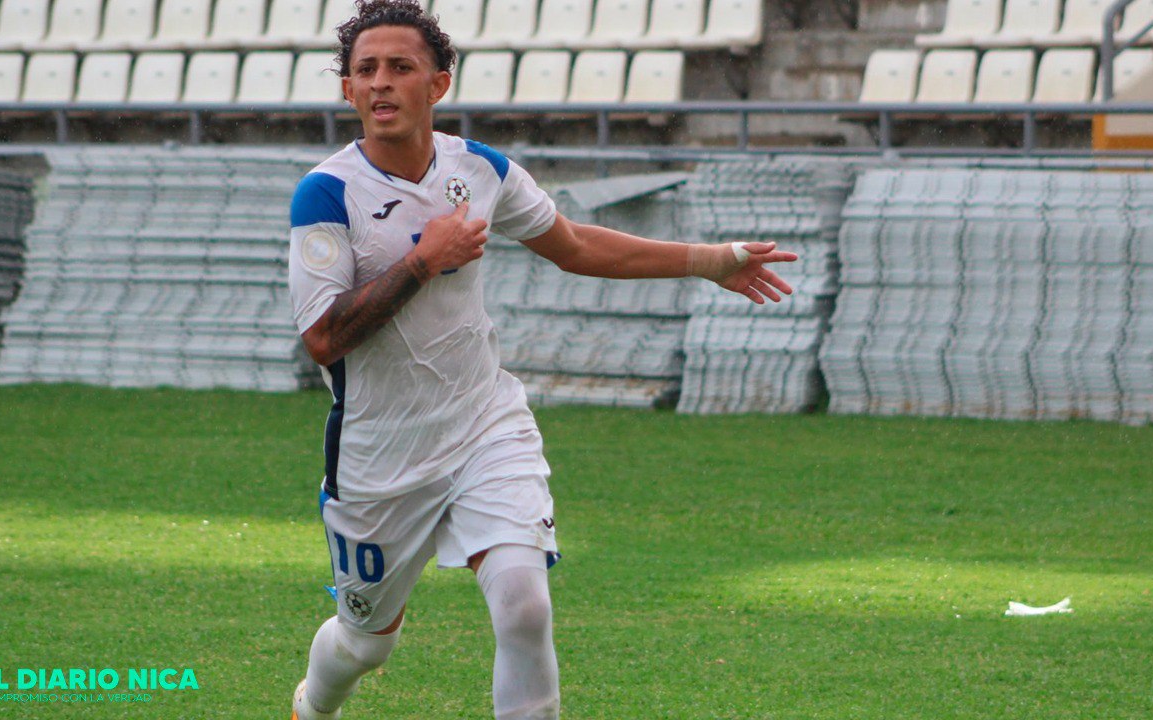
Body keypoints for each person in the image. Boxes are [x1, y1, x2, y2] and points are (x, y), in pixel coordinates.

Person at [286, 2, 798, 717]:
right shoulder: (326, 194)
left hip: (483, 427)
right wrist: (423, 262)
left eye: (400, 67)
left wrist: (708, 260)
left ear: (437, 84)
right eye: (365, 70)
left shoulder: (483, 170)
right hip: (379, 458)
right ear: (347, 90)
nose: (381, 83)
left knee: (524, 606)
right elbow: (323, 339)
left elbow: (575, 244)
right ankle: (313, 706)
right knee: (366, 643)